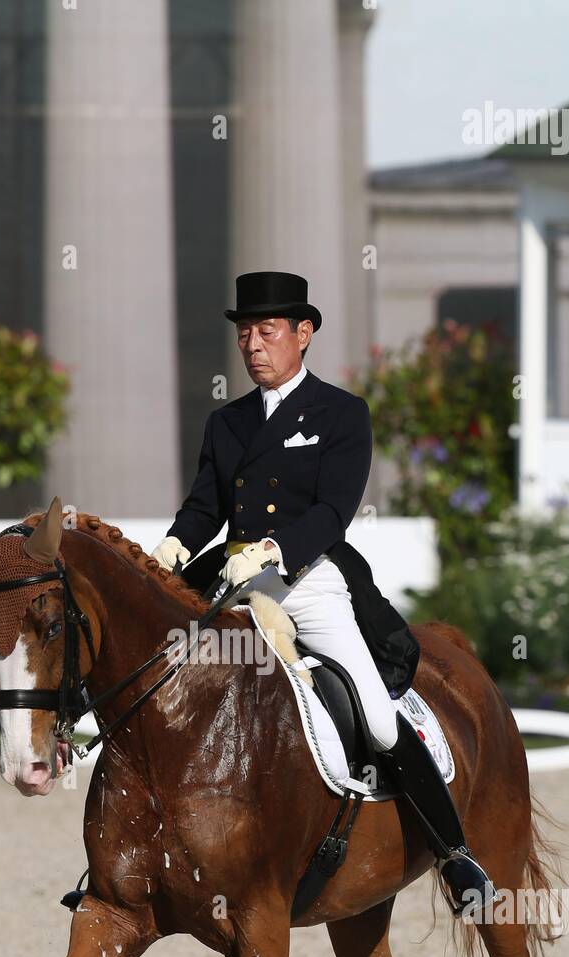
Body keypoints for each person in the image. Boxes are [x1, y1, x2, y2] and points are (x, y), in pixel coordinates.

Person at [151, 271, 494, 919]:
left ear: (302, 334)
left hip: (308, 582)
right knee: (160, 686)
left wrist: (275, 552)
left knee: (374, 713)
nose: (253, 345)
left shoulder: (340, 413)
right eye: (245, 333)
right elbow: (203, 508)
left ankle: (453, 854)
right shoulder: (225, 422)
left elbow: (333, 510)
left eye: (267, 331)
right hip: (233, 582)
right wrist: (171, 551)